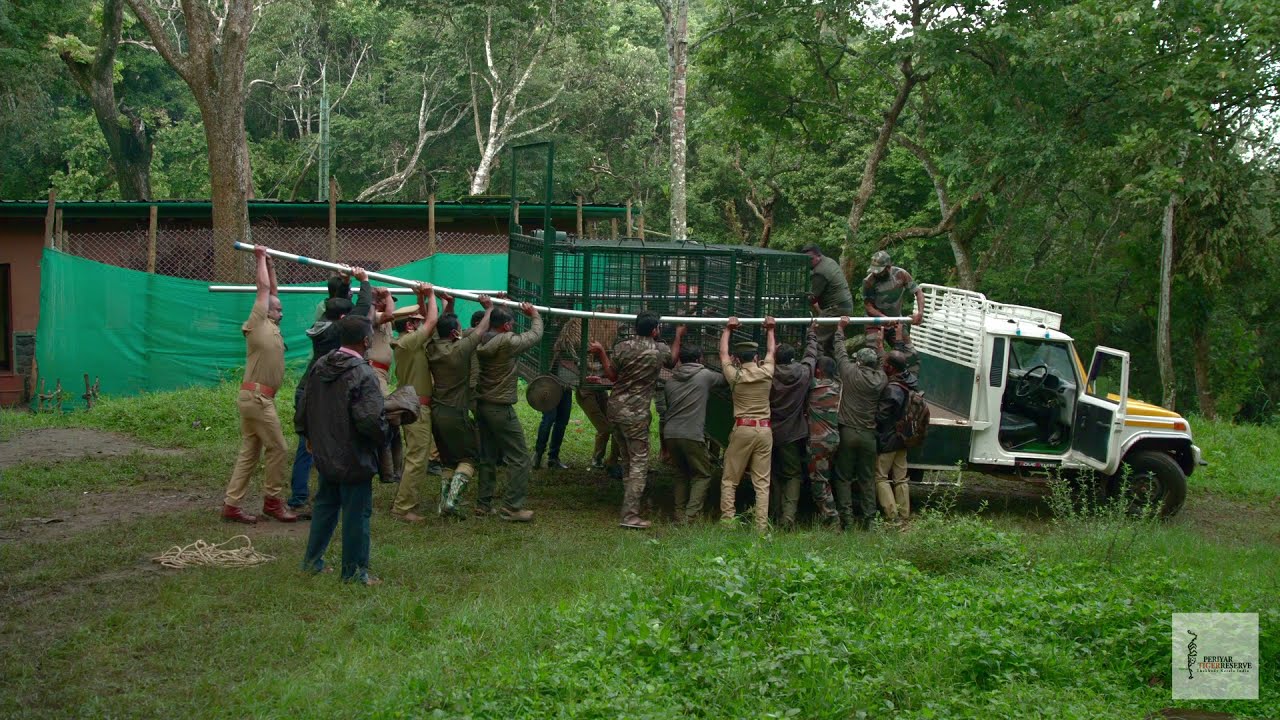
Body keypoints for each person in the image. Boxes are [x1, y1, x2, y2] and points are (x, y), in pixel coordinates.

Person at [296, 315, 388, 586]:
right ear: (366, 340)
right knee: (356, 514)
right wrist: (385, 435)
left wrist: (308, 436)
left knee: (325, 506)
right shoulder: (363, 373)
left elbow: (304, 403)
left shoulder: (320, 364)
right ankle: (355, 572)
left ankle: (312, 562)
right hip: (354, 456)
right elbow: (371, 420)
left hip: (325, 452)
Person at [289, 266, 373, 515]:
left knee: (308, 445)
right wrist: (365, 282)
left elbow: (340, 302)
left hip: (308, 388)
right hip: (319, 393)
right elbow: (362, 307)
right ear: (343, 319)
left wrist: (346, 283)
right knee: (317, 445)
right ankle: (304, 498)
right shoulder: (339, 330)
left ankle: (300, 496)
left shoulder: (323, 323)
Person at [221, 245, 294, 524]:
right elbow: (264, 290)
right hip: (257, 400)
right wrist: (260, 257)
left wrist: (272, 264)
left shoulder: (272, 326)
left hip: (259, 399)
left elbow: (272, 291)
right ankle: (273, 502)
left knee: (250, 453)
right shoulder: (257, 322)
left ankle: (231, 504)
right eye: (277, 310)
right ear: (265, 312)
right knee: (279, 448)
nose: (281, 313)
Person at [589, 309, 678, 529]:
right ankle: (629, 515)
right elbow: (673, 361)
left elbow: (611, 375)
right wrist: (679, 335)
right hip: (636, 415)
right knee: (639, 462)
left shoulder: (622, 348)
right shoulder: (659, 350)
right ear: (655, 330)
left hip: (615, 410)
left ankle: (631, 505)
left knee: (628, 460)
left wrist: (601, 352)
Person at [474, 303, 544, 522]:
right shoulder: (506, 342)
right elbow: (534, 336)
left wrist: (494, 307)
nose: (513, 327)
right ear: (505, 326)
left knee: (487, 456)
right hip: (500, 407)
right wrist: (535, 315)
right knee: (520, 458)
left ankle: (483, 505)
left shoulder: (481, 338)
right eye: (511, 323)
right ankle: (512, 508)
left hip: (482, 404)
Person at [427, 295, 493, 518]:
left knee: (448, 460)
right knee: (468, 458)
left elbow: (441, 326)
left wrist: (450, 305)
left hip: (436, 413)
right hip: (456, 413)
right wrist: (490, 309)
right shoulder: (460, 350)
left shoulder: (433, 347)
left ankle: (443, 502)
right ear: (456, 333)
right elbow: (480, 331)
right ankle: (452, 502)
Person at [717, 317, 777, 532]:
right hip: (765, 430)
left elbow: (722, 354)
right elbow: (772, 352)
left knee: (730, 479)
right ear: (756, 357)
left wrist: (727, 330)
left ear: (738, 360)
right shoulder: (767, 371)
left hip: (743, 428)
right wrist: (771, 329)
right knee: (762, 483)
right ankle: (760, 527)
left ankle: (728, 522)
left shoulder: (735, 375)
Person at [662, 330, 726, 524]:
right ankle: (691, 515)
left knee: (681, 473)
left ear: (680, 360)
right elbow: (726, 380)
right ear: (700, 359)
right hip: (692, 434)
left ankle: (679, 511)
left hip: (671, 434)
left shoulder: (670, 381)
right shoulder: (704, 376)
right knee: (702, 474)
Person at [389, 283, 439, 524]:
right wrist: (430, 296)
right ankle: (403, 507)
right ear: (410, 326)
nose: (421, 323)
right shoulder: (408, 342)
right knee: (417, 458)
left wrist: (421, 297)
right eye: (416, 321)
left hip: (419, 407)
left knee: (417, 456)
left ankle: (406, 503)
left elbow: (427, 321)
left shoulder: (408, 341)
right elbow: (430, 323)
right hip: (416, 408)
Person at [832, 317, 888, 531]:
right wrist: (880, 346)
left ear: (859, 362)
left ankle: (846, 520)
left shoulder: (849, 372)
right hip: (868, 435)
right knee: (867, 479)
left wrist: (839, 329)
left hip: (847, 432)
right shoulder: (880, 380)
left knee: (844, 477)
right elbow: (882, 364)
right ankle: (870, 521)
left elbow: (839, 351)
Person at [768, 326, 819, 530]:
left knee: (770, 474)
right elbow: (811, 355)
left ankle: (771, 513)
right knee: (792, 474)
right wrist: (812, 334)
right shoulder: (803, 373)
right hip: (792, 433)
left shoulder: (767, 374)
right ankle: (788, 517)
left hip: (769, 431)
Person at [875, 350, 918, 522]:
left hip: (889, 438)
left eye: (885, 363)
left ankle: (892, 516)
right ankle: (904, 514)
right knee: (901, 478)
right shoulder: (911, 382)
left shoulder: (892, 389)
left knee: (880, 476)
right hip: (904, 437)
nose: (883, 365)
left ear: (891, 368)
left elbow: (882, 416)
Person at [535, 323, 579, 470]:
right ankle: (538, 454)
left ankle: (553, 457)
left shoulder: (575, 336)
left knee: (562, 421)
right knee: (549, 418)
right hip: (551, 384)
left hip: (566, 384)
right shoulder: (552, 334)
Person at [801, 244, 856, 354]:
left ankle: (809, 366)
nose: (809, 262)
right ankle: (833, 369)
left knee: (812, 337)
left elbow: (812, 297)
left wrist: (797, 301)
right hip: (844, 307)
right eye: (806, 259)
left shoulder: (820, 272)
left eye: (811, 259)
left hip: (835, 309)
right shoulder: (829, 261)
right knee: (831, 345)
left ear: (818, 256)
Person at [806, 356, 842, 525]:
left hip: (818, 443)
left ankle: (831, 517)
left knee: (819, 481)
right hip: (833, 440)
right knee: (825, 477)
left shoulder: (814, 385)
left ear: (818, 371)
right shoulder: (838, 386)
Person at [862, 250, 924, 341]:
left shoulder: (901, 274)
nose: (876, 273)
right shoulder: (869, 281)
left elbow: (918, 292)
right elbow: (868, 307)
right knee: (875, 351)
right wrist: (884, 318)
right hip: (875, 322)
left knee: (908, 352)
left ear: (888, 267)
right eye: (874, 271)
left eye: (879, 271)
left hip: (896, 320)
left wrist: (920, 313)